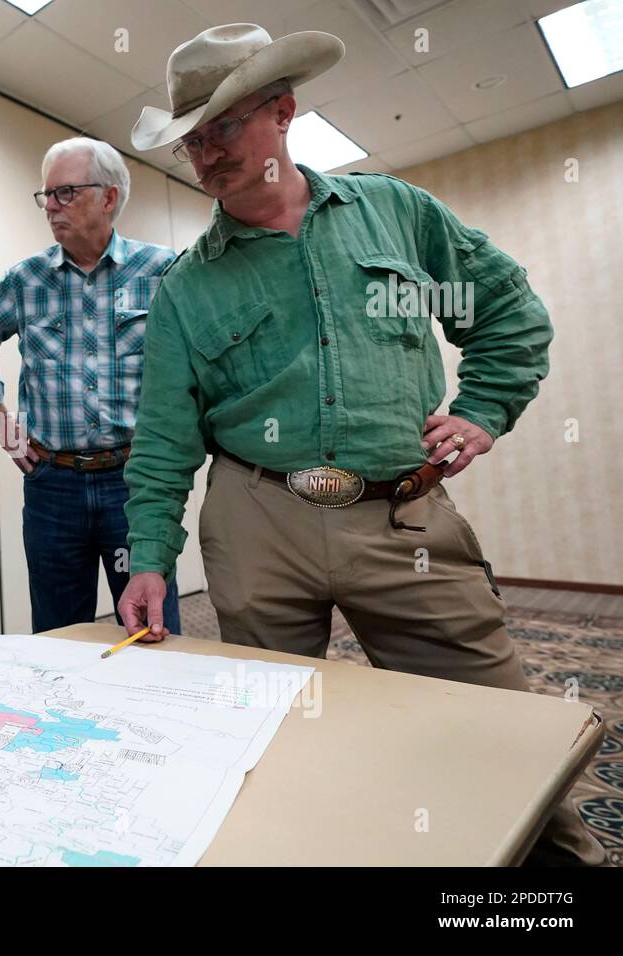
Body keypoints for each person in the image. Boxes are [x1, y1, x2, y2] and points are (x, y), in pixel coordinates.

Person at [120, 23, 604, 866]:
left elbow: (507, 312)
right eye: (192, 139)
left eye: (224, 127)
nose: (206, 153)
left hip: (403, 518)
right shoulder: (186, 287)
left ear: (284, 111)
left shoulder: (396, 212)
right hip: (256, 519)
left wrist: (484, 408)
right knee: (271, 736)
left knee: (503, 727)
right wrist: (149, 558)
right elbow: (164, 437)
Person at [0, 137, 181, 635]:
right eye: (46, 196)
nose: (51, 208)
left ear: (109, 196)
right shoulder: (25, 280)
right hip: (52, 486)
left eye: (66, 193)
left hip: (133, 483)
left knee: (151, 628)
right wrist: (1, 423)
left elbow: (192, 363)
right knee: (58, 636)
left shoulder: (161, 271)